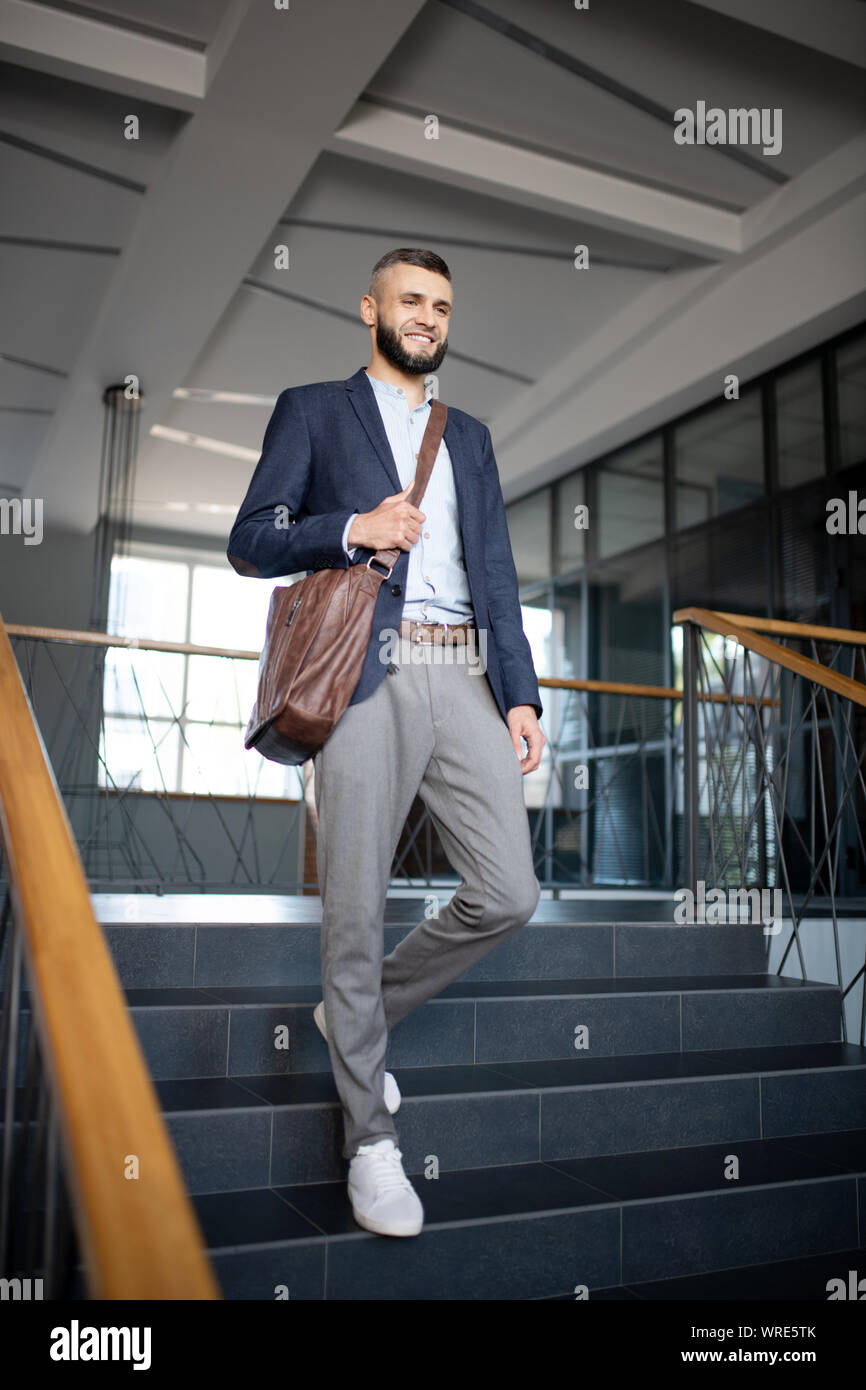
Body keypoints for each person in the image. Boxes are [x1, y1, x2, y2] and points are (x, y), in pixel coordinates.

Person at [227, 248, 545, 1237]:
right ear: (369, 306)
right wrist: (350, 526)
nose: (426, 316)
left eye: (441, 306)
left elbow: (494, 566)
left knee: (507, 890)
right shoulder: (314, 408)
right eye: (411, 299)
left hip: (463, 672)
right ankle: (369, 1137)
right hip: (364, 670)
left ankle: (350, 1017)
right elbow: (252, 537)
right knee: (355, 909)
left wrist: (520, 695)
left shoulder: (473, 437)